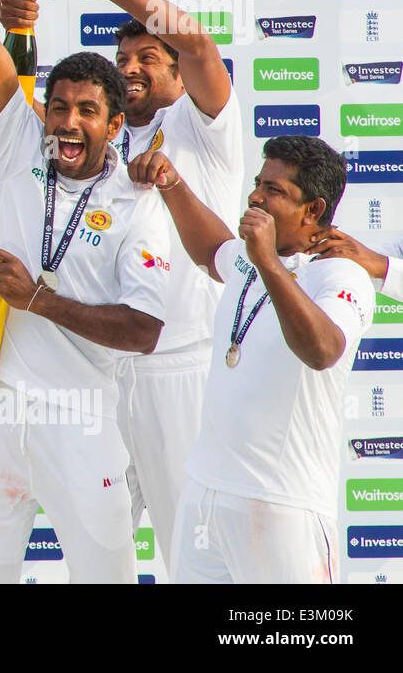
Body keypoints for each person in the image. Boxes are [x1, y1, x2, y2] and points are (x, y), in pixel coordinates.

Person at [0, 0, 171, 584]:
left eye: (86, 112)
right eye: (59, 106)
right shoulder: (18, 142)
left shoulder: (140, 203)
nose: (68, 123)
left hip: (83, 417)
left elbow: (143, 329)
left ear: (114, 122)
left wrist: (38, 301)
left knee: (104, 578)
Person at [1, 0, 243, 571]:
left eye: (149, 58)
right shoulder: (99, 138)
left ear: (181, 73)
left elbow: (197, 41)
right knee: (99, 556)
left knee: (189, 550)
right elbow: (15, 114)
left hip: (175, 370)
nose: (130, 66)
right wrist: (17, 31)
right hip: (97, 374)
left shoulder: (203, 122)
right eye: (123, 56)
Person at [128, 137, 373, 583]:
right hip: (205, 496)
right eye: (258, 183)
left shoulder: (340, 273)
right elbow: (209, 251)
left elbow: (322, 351)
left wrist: (267, 263)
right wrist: (171, 183)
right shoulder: (250, 257)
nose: (256, 196)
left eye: (275, 190)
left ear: (313, 210)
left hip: (283, 508)